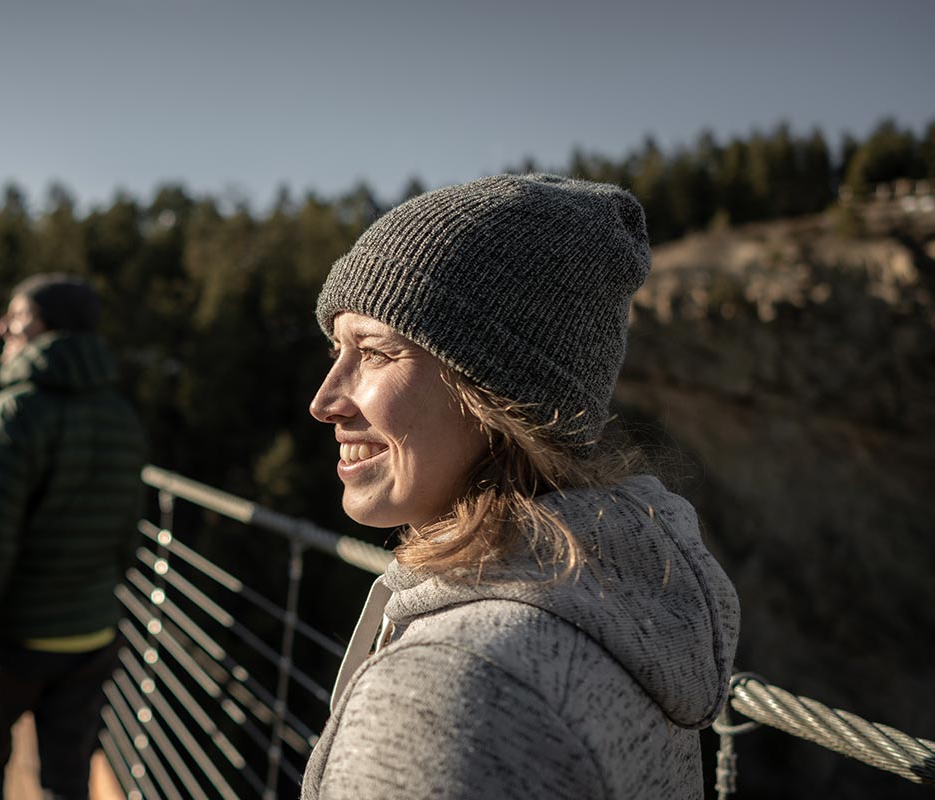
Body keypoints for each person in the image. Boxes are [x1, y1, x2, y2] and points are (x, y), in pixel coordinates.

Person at [301, 175, 740, 799]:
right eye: (336, 350)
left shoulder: (441, 692)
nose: (324, 401)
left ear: (495, 394)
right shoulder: (625, 603)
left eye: (374, 352)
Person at [0, 273, 146, 799]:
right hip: (91, 639)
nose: (2, 328)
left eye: (17, 319)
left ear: (47, 331)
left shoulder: (14, 412)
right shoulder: (121, 416)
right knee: (68, 781)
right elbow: (125, 540)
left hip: (15, 643)